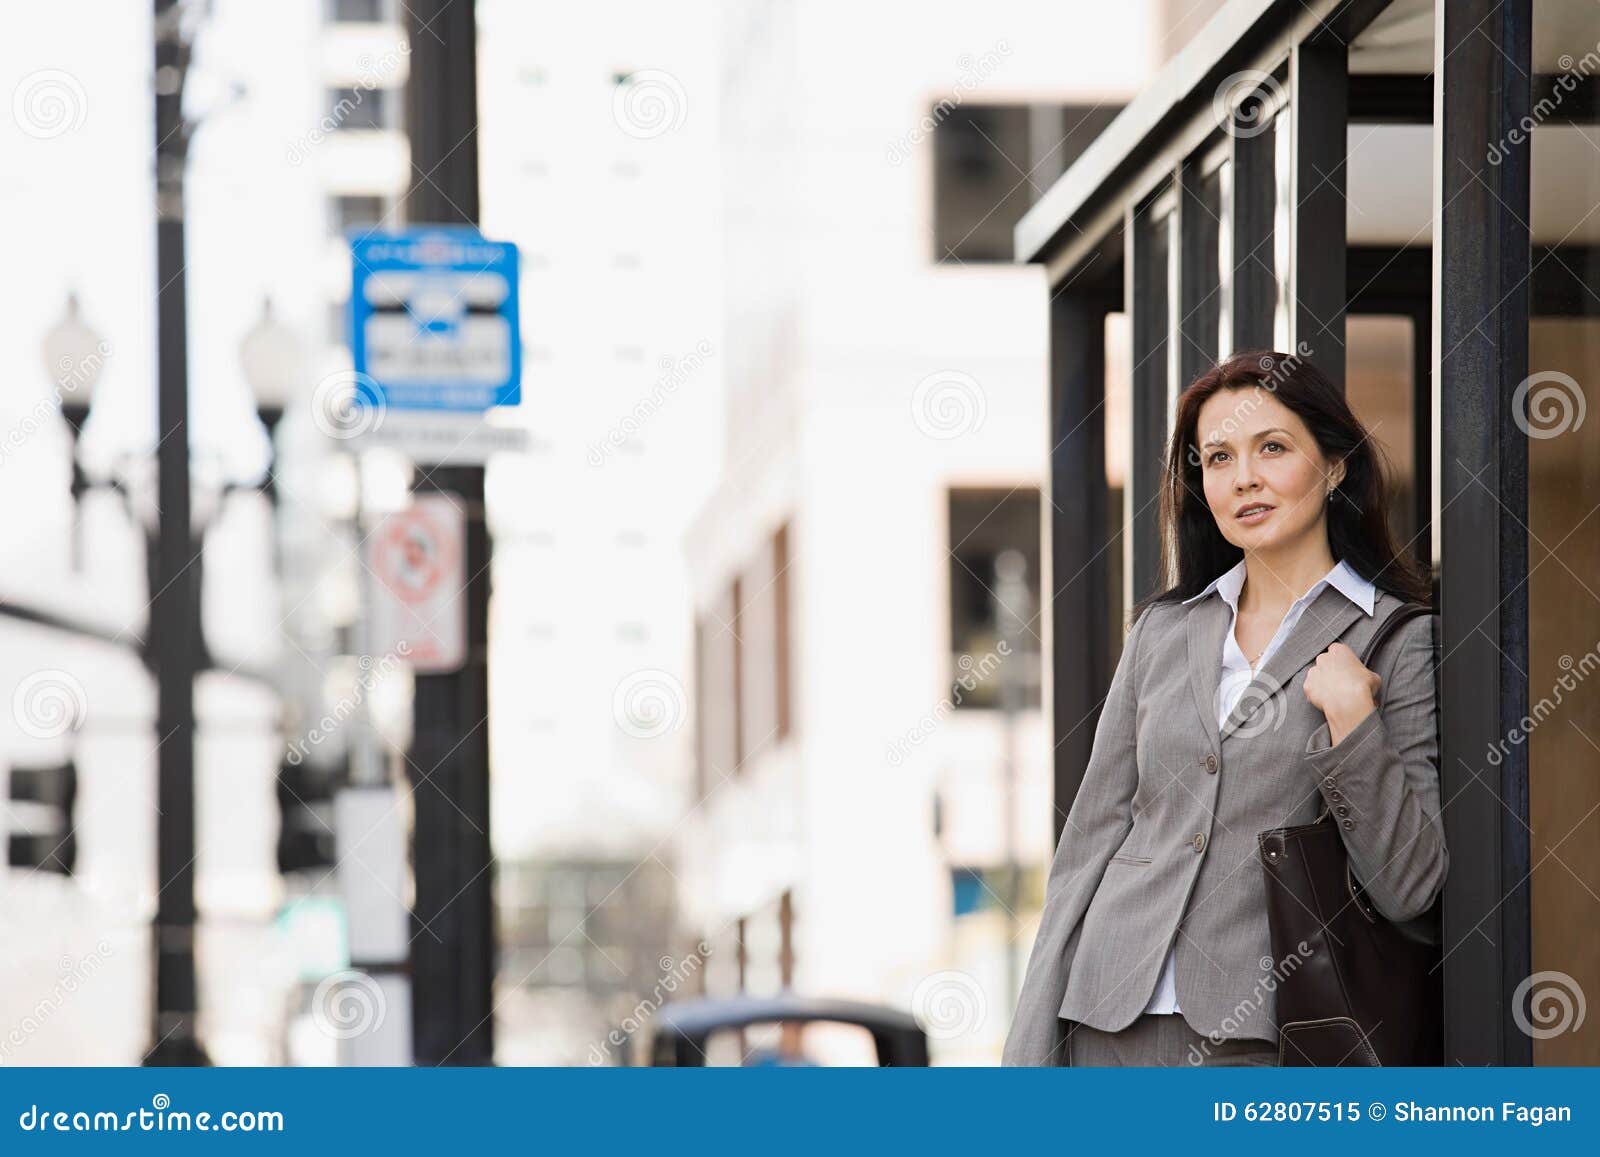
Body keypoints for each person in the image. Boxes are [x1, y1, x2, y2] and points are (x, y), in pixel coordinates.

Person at [1002, 351, 1446, 1067]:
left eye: (1272, 448)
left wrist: (1354, 726)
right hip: (1107, 1025)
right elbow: (1090, 841)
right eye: (1217, 457)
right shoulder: (1161, 631)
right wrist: (1028, 1056)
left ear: (1334, 467)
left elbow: (1412, 886)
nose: (1243, 477)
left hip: (1265, 1036)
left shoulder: (1396, 638)